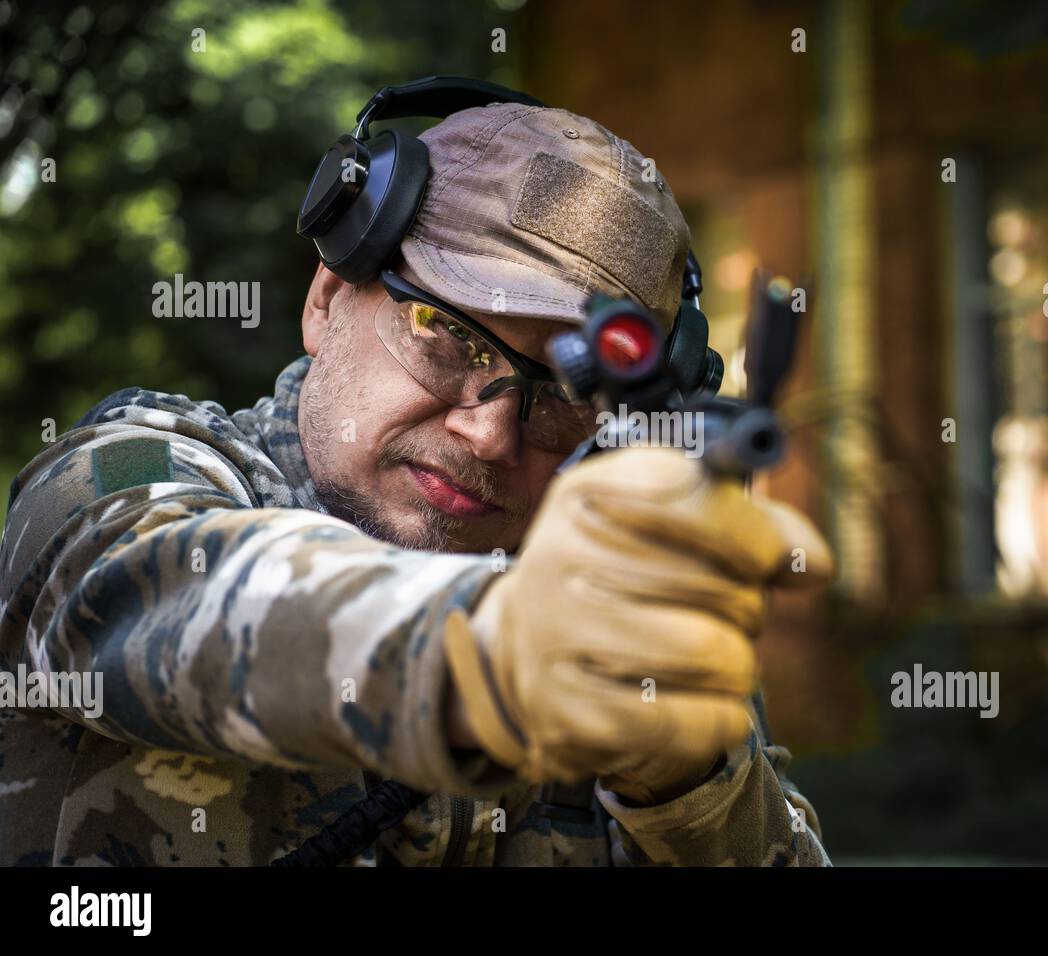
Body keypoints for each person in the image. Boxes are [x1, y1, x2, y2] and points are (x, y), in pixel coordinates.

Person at [0, 99, 833, 866]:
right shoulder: (127, 470)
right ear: (328, 297)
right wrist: (492, 652)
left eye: (566, 394)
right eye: (448, 333)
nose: (490, 433)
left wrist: (687, 786)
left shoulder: (614, 610)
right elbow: (159, 581)